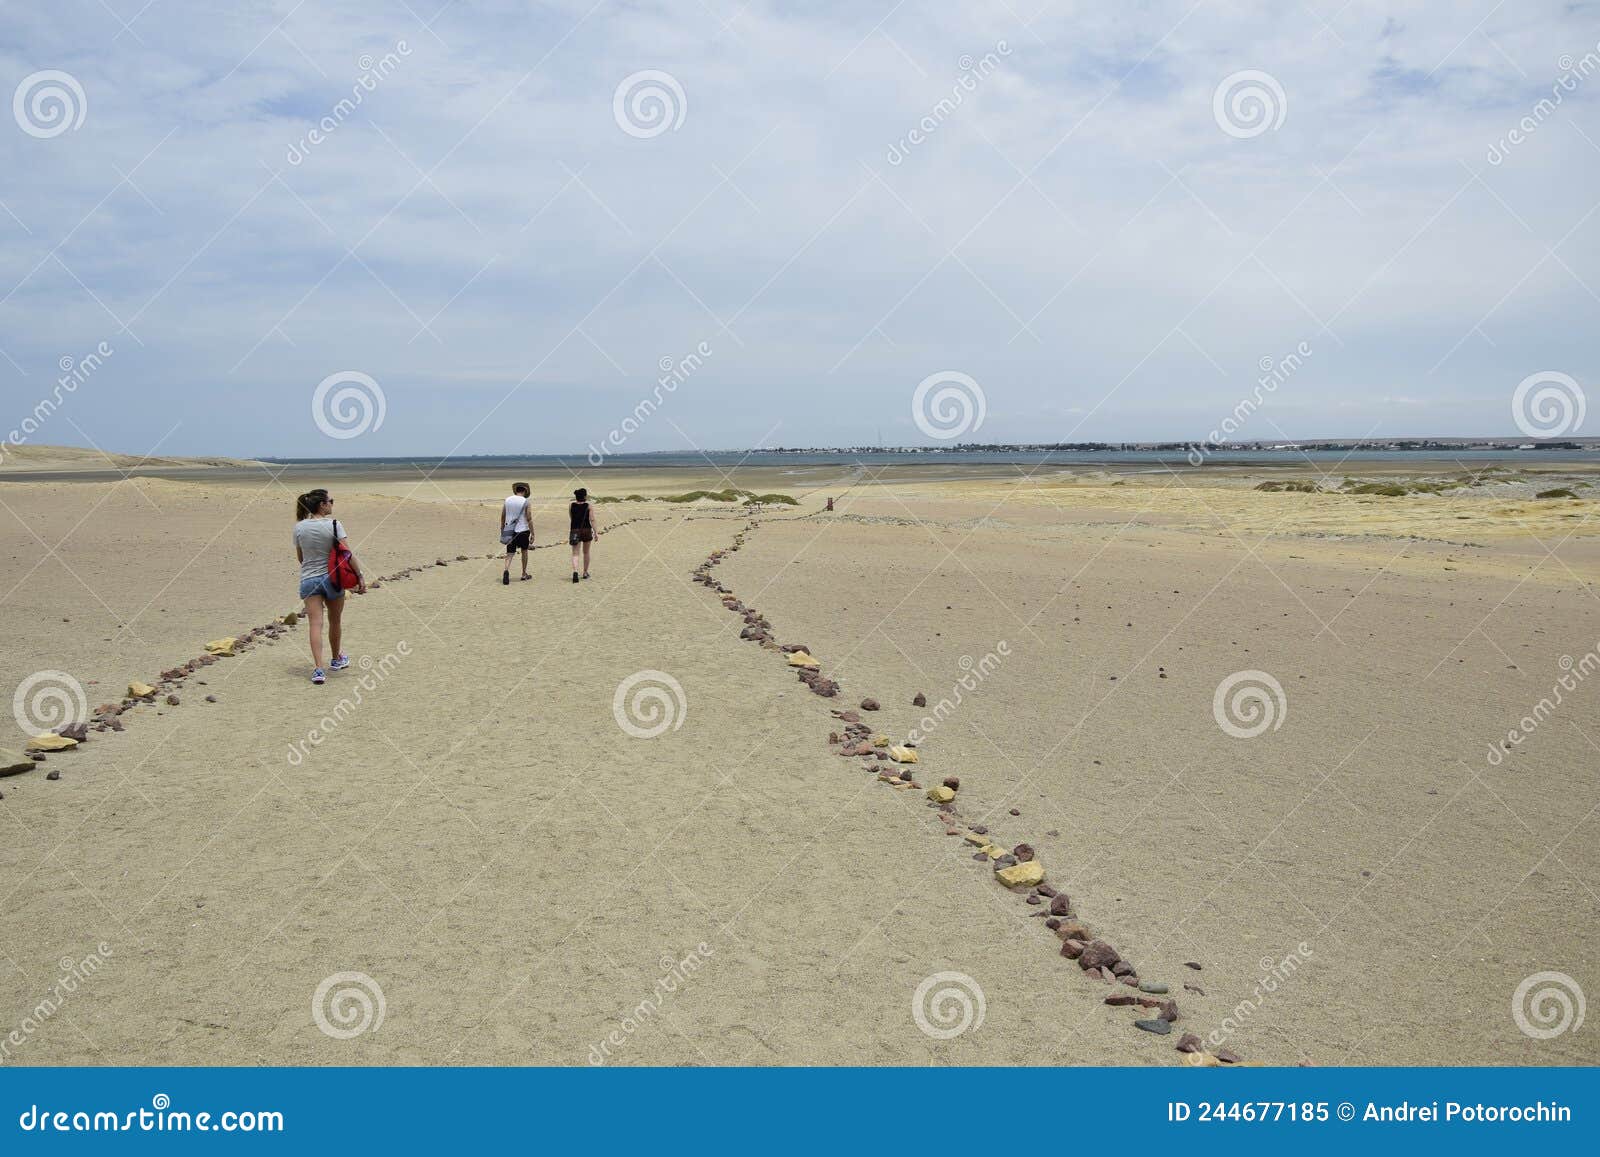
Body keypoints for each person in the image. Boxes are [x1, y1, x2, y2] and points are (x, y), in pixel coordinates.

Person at [294, 489, 366, 685]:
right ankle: (336, 659)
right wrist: (359, 576)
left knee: (315, 624)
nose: (332, 504)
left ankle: (318, 669)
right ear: (322, 505)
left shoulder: (299, 528)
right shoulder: (334, 525)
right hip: (333, 579)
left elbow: (301, 558)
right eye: (330, 501)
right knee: (335, 621)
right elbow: (347, 554)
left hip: (309, 580)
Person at [500, 482, 533, 584]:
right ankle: (523, 574)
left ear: (516, 490)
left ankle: (506, 571)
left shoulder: (507, 500)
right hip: (523, 530)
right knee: (524, 551)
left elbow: (503, 516)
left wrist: (502, 529)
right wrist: (533, 533)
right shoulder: (526, 501)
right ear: (525, 491)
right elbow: (529, 518)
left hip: (509, 530)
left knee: (509, 553)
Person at [569, 487, 597, 583]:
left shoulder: (571, 505)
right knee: (586, 552)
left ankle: (575, 571)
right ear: (585, 496)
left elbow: (571, 517)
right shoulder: (588, 506)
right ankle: (585, 572)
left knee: (575, 553)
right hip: (586, 530)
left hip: (574, 530)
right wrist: (596, 532)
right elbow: (592, 520)